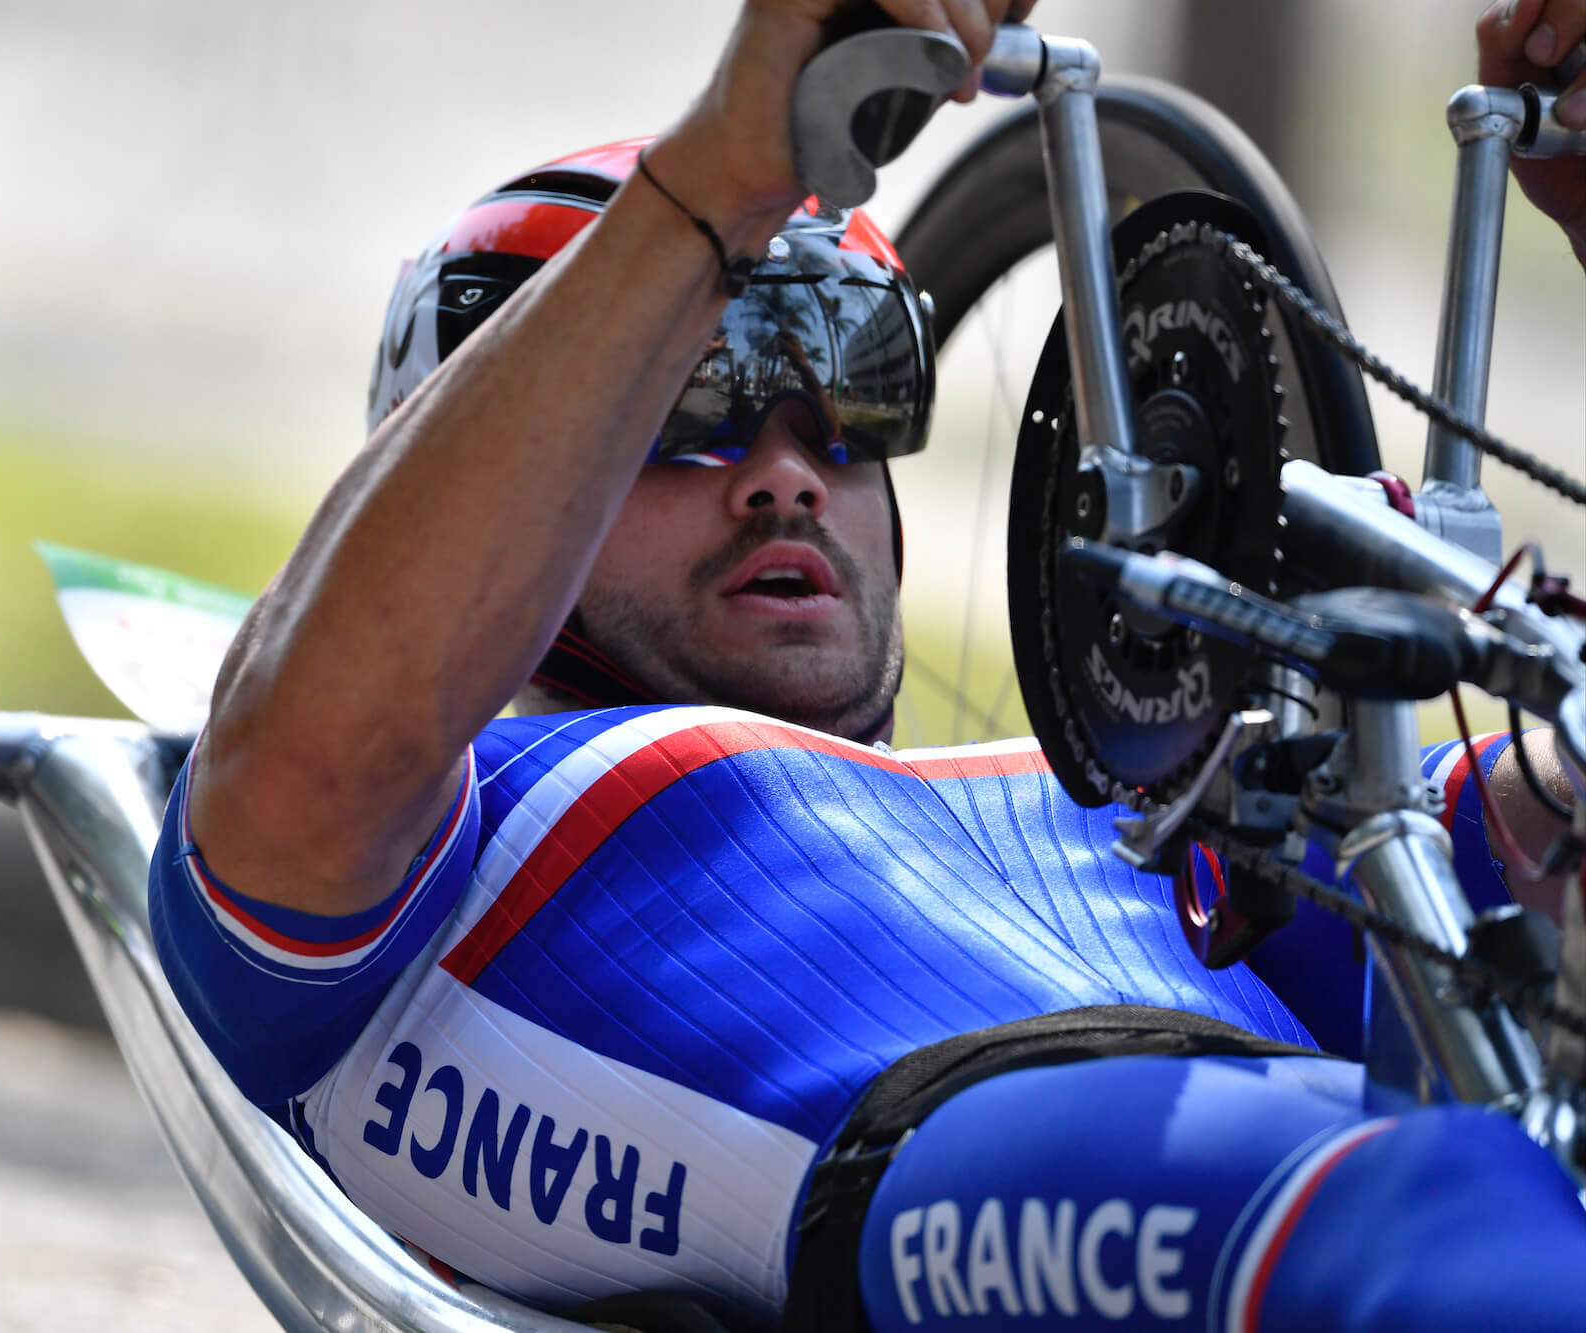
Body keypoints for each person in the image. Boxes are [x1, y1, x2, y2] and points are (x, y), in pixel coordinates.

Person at [150, 3, 1586, 1328]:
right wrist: (718, 176)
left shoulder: (1137, 804)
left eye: (853, 391)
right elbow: (308, 759)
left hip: (1324, 1163)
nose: (785, 473)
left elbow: (1548, 794)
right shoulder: (429, 844)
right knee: (1450, 1208)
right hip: (967, 1164)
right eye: (685, 398)